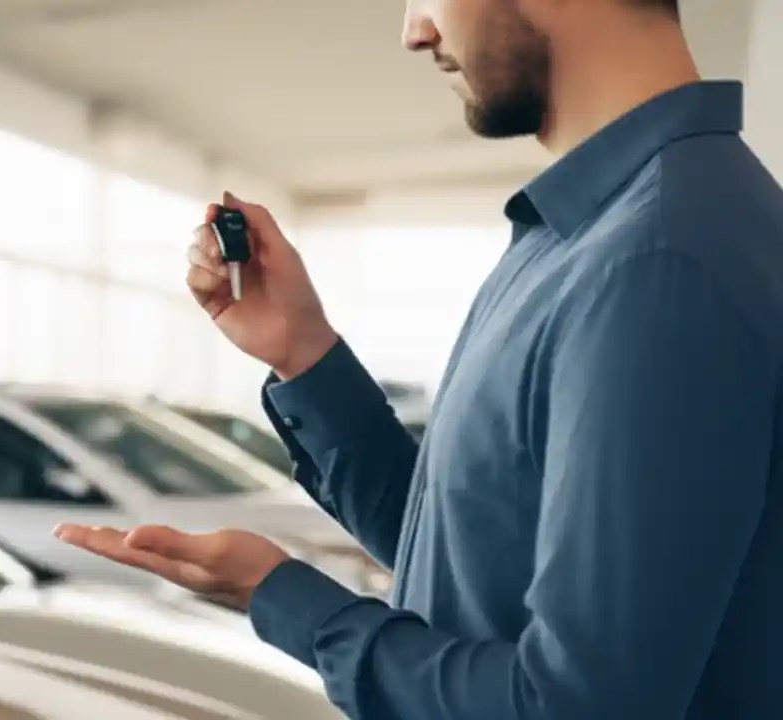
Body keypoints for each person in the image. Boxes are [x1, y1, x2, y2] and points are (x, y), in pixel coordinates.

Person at [54, 0, 783, 717]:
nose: (415, 30)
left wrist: (285, 598)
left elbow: (572, 707)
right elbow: (478, 554)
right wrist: (304, 354)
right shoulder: (595, 237)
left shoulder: (657, 260)